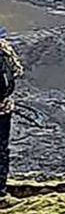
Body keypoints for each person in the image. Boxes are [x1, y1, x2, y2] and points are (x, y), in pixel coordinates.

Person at [0, 26, 23, 199]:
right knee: (1, 149)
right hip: (4, 107)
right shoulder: (5, 51)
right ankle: (0, 190)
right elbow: (17, 72)